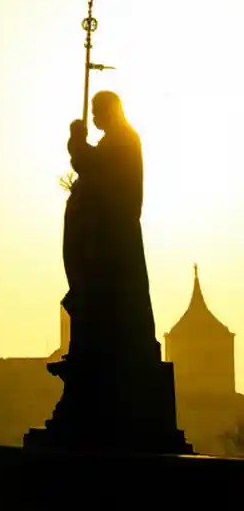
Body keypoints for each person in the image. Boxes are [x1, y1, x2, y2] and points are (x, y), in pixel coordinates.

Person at [61, 90, 157, 359]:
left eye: (97, 111)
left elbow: (93, 166)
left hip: (113, 234)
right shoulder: (117, 140)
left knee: (110, 290)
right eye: (91, 111)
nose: (93, 116)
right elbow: (91, 164)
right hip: (109, 232)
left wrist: (78, 140)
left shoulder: (123, 140)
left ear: (111, 110)